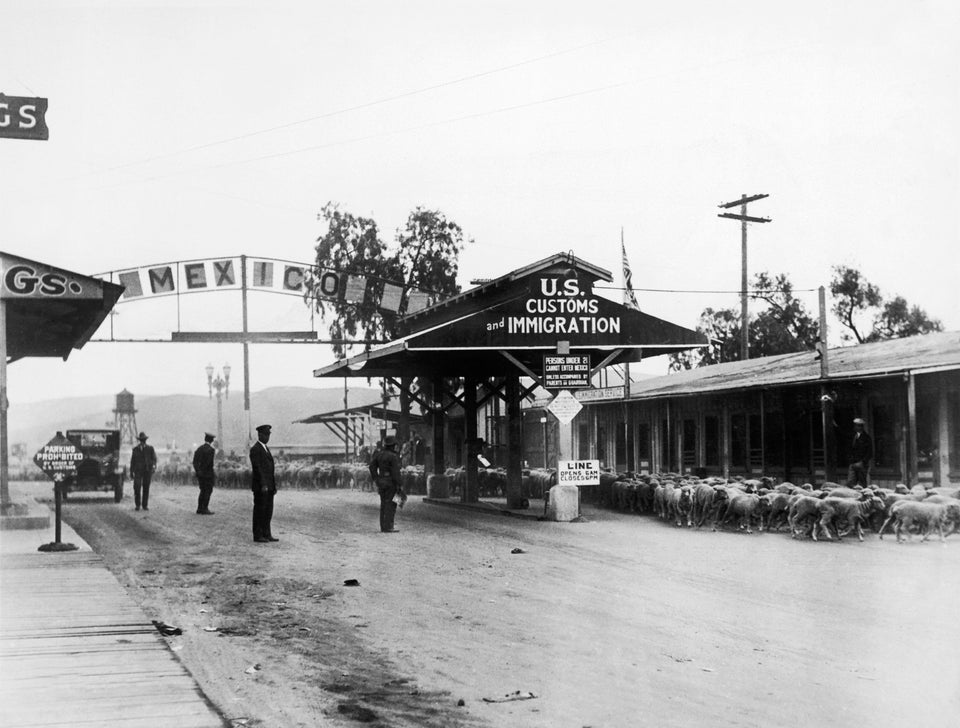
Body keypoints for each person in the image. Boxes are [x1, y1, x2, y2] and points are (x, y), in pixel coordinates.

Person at [368, 435, 403, 533]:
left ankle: (383, 526)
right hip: (391, 482)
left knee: (383, 504)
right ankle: (388, 526)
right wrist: (399, 484)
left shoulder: (379, 454)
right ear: (392, 446)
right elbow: (396, 472)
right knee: (391, 504)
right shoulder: (393, 456)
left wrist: (376, 478)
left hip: (381, 482)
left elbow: (371, 467)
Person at [249, 424, 278, 542]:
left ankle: (267, 533)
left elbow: (270, 470)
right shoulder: (255, 449)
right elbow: (257, 468)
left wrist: (273, 485)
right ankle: (258, 535)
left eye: (268, 435)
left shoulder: (266, 448)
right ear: (260, 435)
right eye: (265, 435)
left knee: (268, 510)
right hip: (261, 486)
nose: (267, 437)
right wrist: (263, 484)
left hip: (269, 486)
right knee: (260, 510)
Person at [129, 432, 157, 511]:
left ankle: (145, 505)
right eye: (141, 440)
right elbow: (132, 462)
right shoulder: (135, 449)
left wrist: (153, 466)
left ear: (145, 440)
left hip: (147, 471)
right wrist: (131, 472)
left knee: (146, 488)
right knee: (137, 488)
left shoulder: (150, 449)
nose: (142, 441)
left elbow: (154, 459)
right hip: (138, 471)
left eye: (144, 440)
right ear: (139, 441)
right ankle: (137, 505)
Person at [192, 432, 216, 515]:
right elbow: (209, 463)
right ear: (211, 440)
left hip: (200, 475)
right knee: (208, 491)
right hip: (208, 475)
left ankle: (199, 508)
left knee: (202, 490)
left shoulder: (199, 449)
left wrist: (198, 471)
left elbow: (194, 462)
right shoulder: (211, 450)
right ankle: (205, 508)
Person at [846, 417, 873, 487]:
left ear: (861, 427)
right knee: (850, 483)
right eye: (855, 425)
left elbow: (870, 452)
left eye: (857, 425)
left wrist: (863, 462)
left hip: (861, 464)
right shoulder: (853, 436)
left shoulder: (866, 438)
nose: (855, 427)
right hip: (852, 463)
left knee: (862, 483)